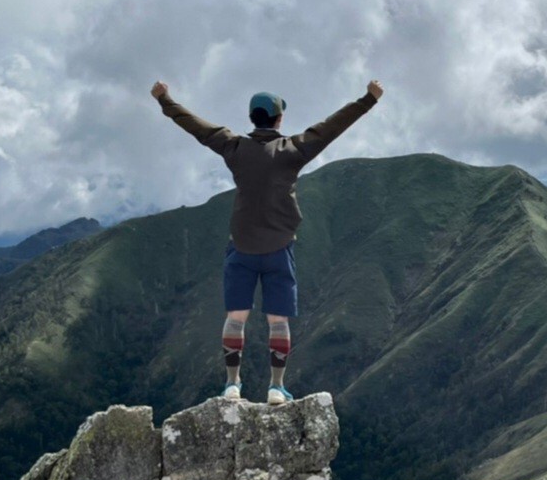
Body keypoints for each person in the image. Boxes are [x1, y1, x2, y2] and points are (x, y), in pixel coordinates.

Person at [151, 78, 384, 404]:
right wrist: (368, 99)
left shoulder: (234, 148)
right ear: (279, 119)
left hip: (241, 247)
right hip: (279, 248)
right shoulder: (293, 150)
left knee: (236, 317)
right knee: (278, 320)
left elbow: (197, 126)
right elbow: (332, 127)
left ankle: (232, 384)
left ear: (252, 117)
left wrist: (165, 100)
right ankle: (276, 386)